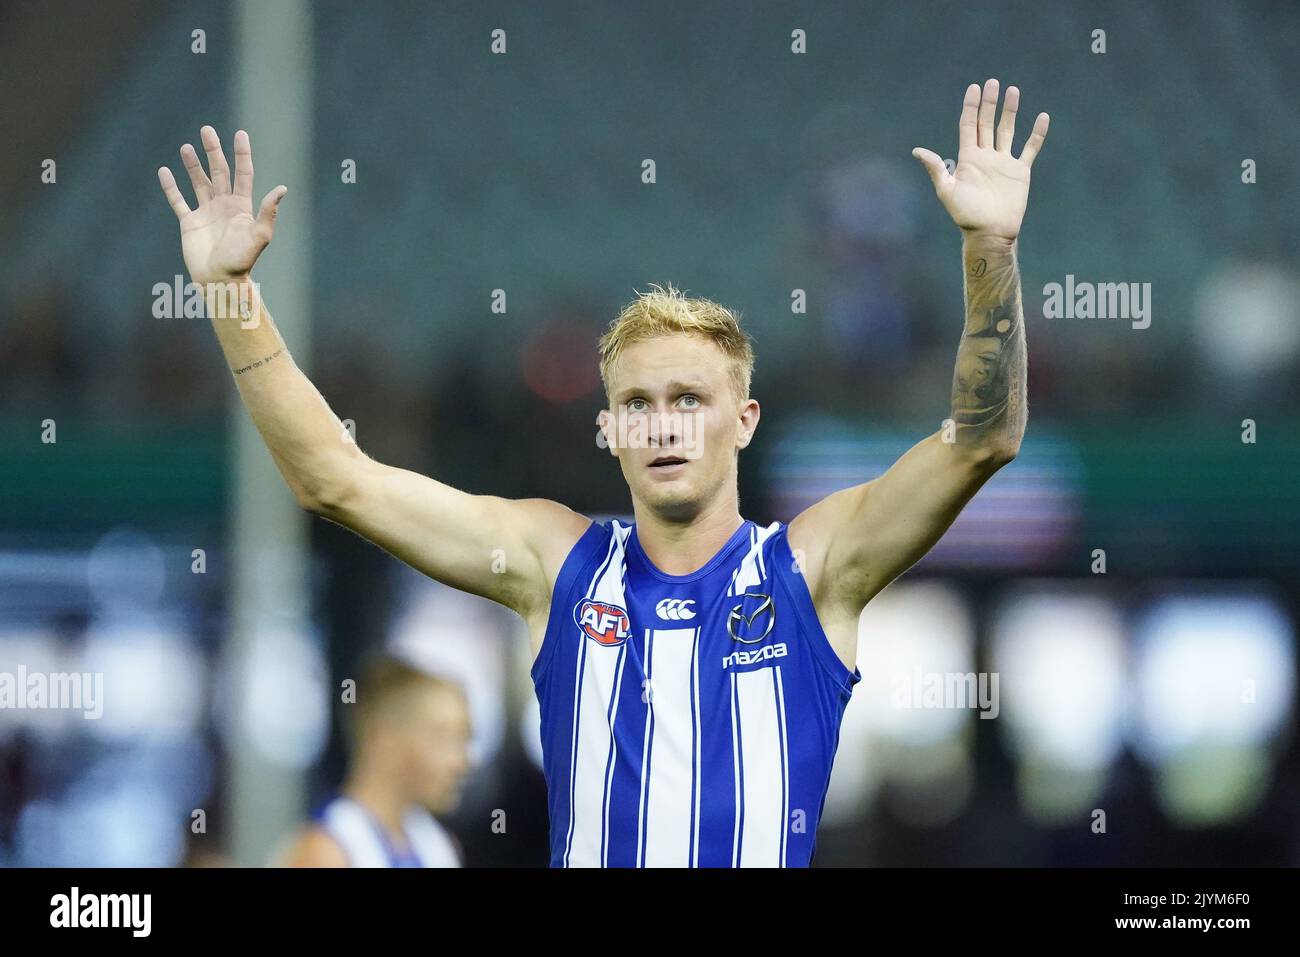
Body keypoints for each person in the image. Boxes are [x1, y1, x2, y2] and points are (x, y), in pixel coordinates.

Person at [157, 78, 1048, 867]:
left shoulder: (814, 571)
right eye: (639, 403)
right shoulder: (557, 563)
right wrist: (233, 299)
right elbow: (335, 481)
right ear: (610, 429)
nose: (664, 424)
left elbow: (981, 441)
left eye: (690, 399)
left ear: (744, 421)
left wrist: (989, 251)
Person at [275, 655, 471, 867]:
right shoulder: (327, 851)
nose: (461, 763)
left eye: (464, 739)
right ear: (384, 738)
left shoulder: (437, 845)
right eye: (442, 738)